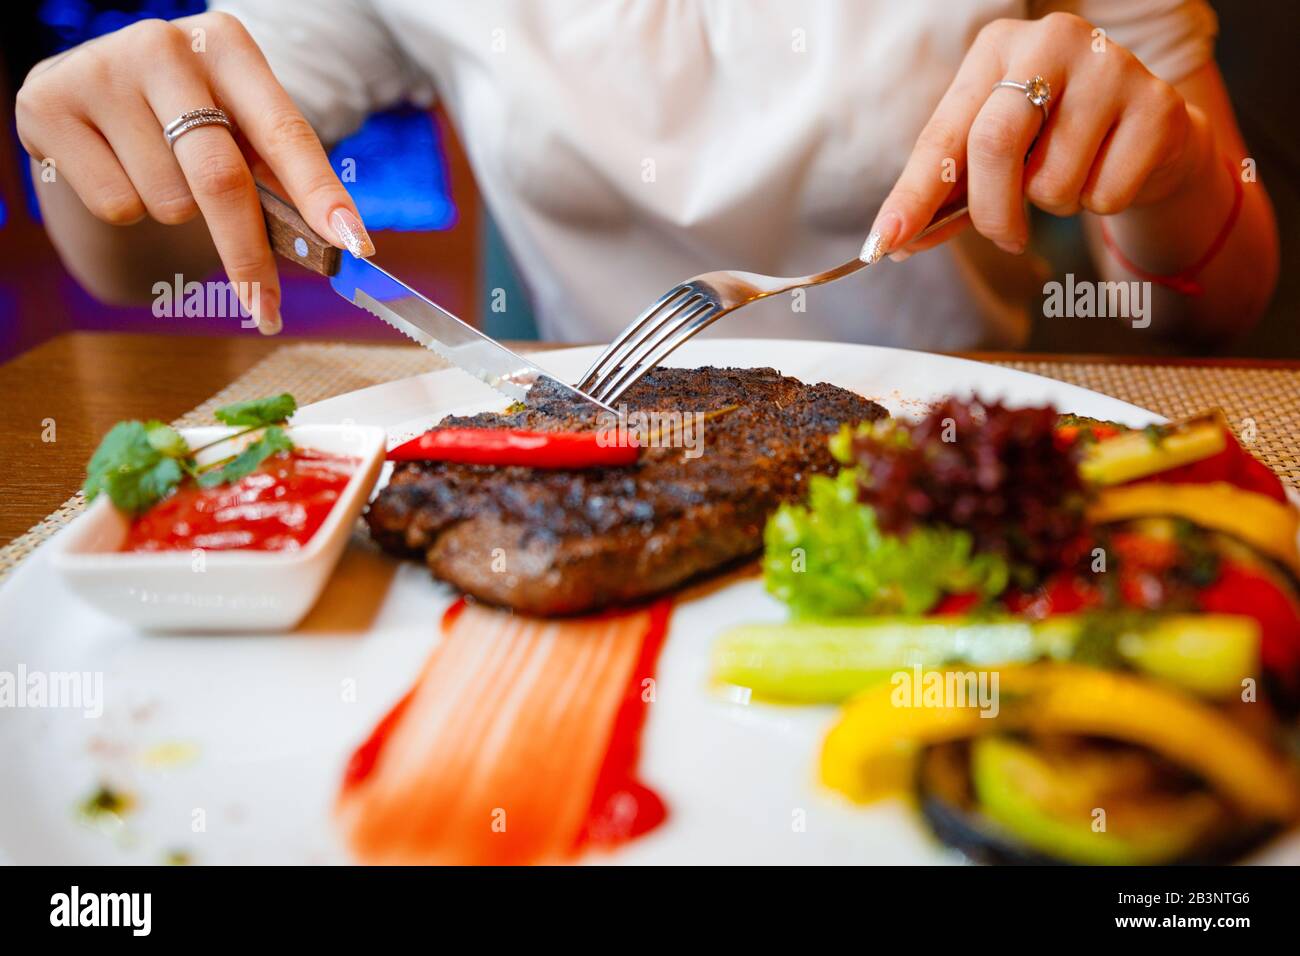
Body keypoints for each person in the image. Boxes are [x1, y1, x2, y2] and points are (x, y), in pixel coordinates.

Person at [15, 0, 1276, 349]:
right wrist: (79, 148)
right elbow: (135, 266)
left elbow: (1215, 314)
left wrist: (1165, 182)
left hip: (954, 455)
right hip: (592, 462)